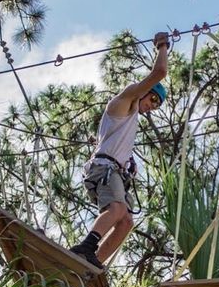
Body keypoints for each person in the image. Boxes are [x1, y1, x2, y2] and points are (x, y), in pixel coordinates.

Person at [69, 31, 170, 269]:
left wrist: (129, 164)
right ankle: (86, 247)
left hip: (113, 170)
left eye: (156, 106)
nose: (151, 107)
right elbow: (160, 73)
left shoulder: (130, 120)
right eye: (152, 100)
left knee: (125, 223)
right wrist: (163, 46)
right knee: (117, 208)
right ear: (145, 91)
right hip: (103, 168)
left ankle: (93, 265)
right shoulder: (122, 103)